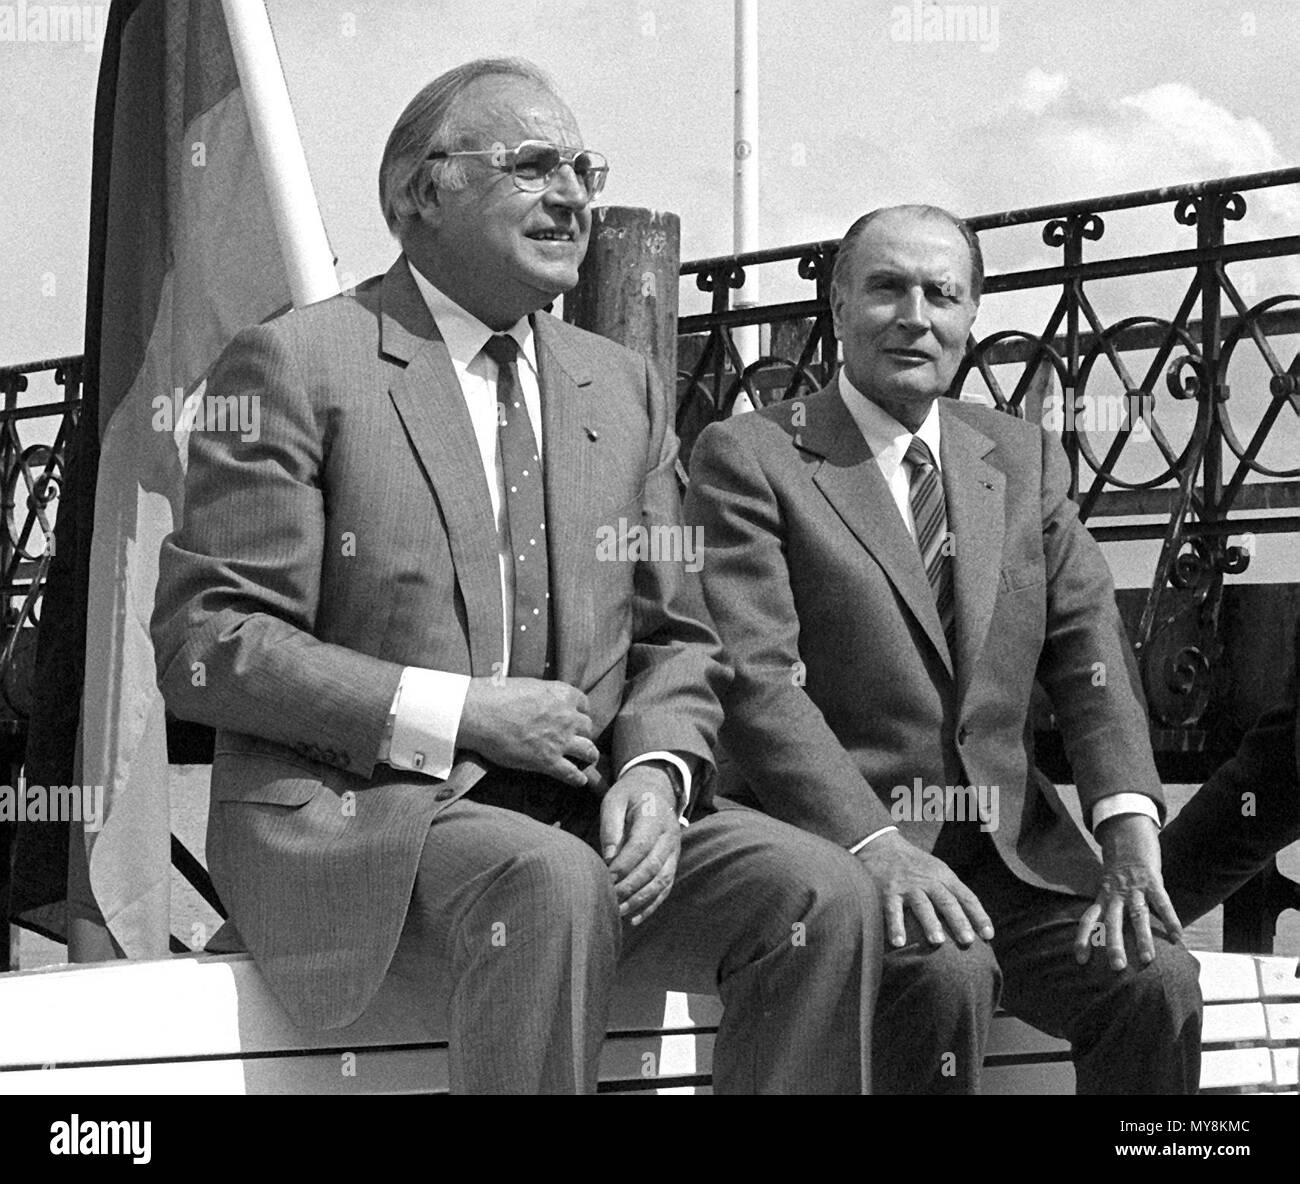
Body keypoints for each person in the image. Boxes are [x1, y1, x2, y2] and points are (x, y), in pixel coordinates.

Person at [151, 58, 881, 1094]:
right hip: (366, 816)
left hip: (584, 808)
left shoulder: (620, 384)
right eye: (532, 165)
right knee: (544, 881)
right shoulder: (299, 365)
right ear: (419, 194)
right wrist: (462, 714)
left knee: (823, 894)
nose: (574, 193)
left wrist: (658, 771)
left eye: (583, 167)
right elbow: (209, 641)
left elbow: (678, 633)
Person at [684, 204, 1203, 1094]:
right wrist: (874, 842)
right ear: (839, 306)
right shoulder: (753, 455)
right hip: (838, 849)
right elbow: (756, 680)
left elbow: (1092, 655)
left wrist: (1126, 830)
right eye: (886, 288)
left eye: (942, 294)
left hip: (1012, 858)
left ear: (971, 318)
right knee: (942, 973)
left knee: (1156, 981)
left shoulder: (1021, 455)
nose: (914, 315)